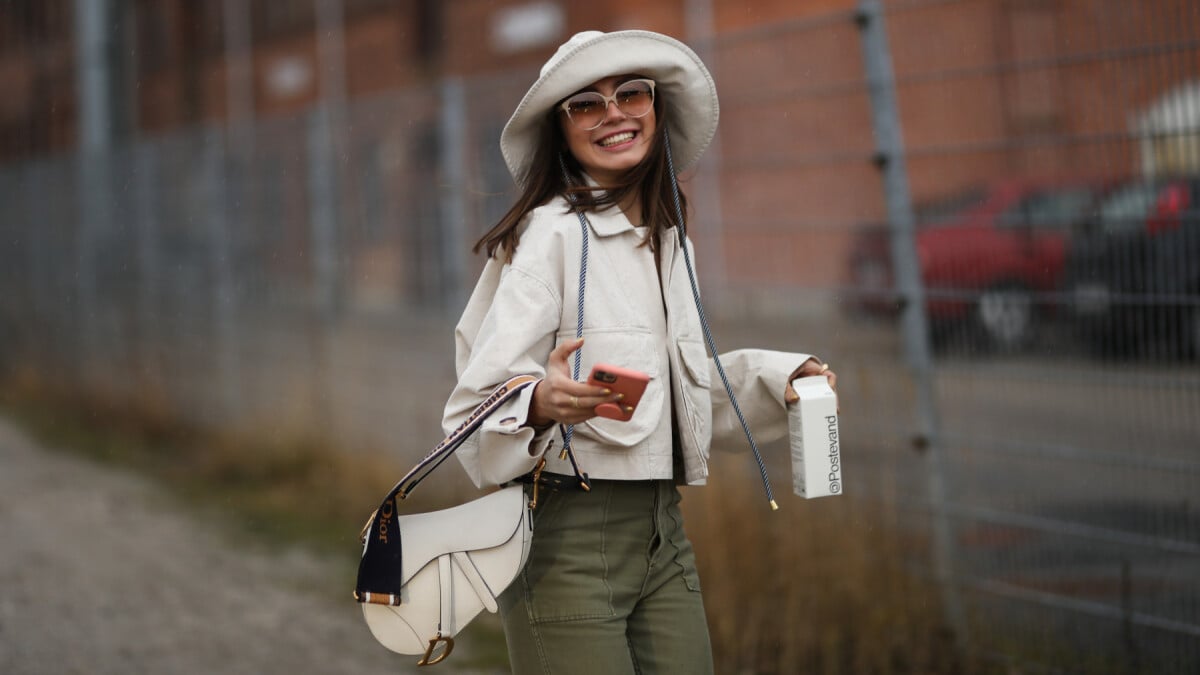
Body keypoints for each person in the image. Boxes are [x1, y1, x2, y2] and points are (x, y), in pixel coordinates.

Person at [442, 29, 838, 675]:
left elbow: (671, 393)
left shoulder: (667, 241)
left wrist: (780, 379)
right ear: (560, 129)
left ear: (657, 108)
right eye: (586, 103)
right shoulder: (551, 237)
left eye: (631, 93)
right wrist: (539, 402)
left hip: (664, 535)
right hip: (566, 540)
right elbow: (470, 413)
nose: (615, 113)